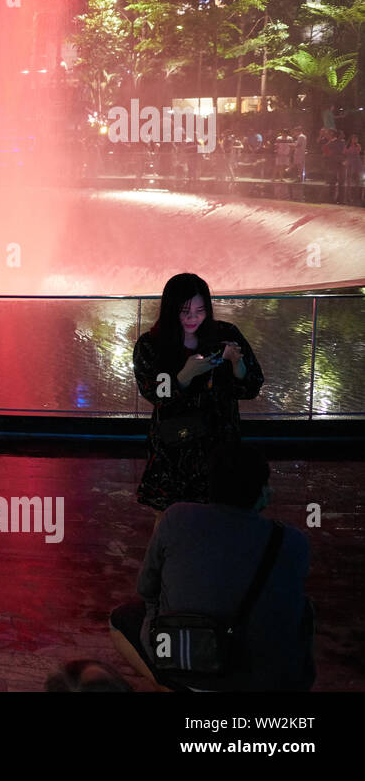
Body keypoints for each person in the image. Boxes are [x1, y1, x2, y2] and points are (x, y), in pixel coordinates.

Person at [110, 443, 315, 692]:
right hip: (261, 678)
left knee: (120, 619)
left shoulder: (177, 518)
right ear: (262, 491)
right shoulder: (292, 541)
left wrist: (164, 611)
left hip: (184, 660)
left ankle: (171, 686)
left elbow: (145, 587)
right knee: (304, 609)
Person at [132, 273, 264, 528]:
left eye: (200, 310)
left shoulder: (225, 334)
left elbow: (251, 386)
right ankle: (165, 568)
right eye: (184, 311)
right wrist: (184, 375)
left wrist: (237, 363)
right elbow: (152, 393)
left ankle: (212, 565)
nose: (193, 318)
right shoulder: (152, 345)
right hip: (174, 449)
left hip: (219, 446)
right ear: (170, 310)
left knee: (222, 519)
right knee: (170, 520)